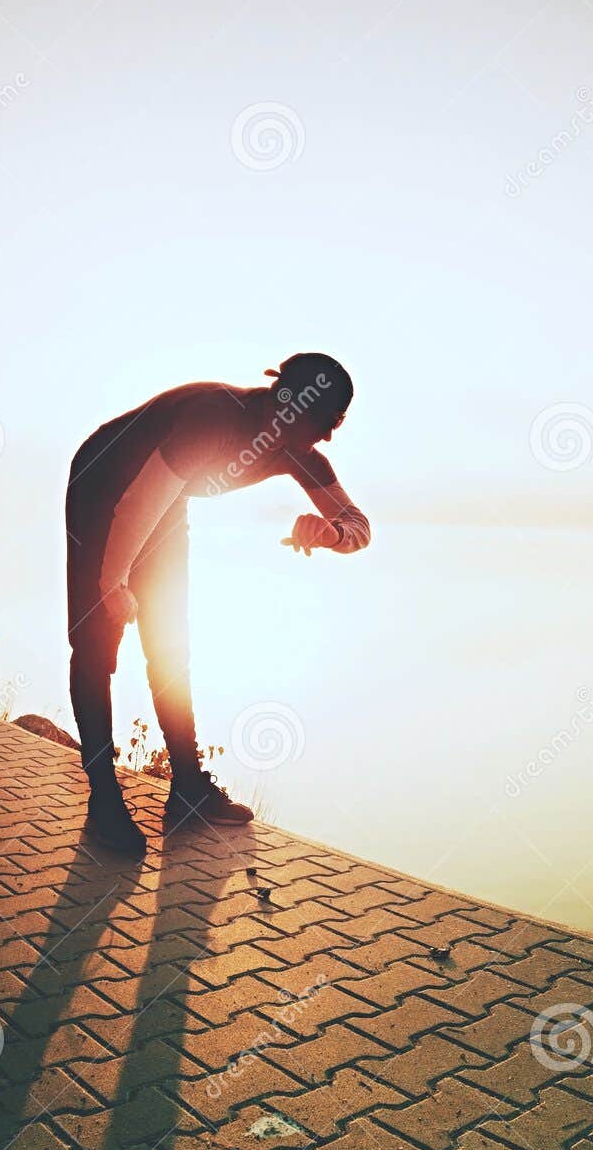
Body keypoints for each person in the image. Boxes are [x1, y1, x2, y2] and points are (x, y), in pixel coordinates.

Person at [64, 353, 369, 855]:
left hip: (165, 501)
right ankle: (103, 797)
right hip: (103, 480)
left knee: (168, 646)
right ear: (287, 400)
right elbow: (135, 504)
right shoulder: (215, 417)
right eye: (325, 423)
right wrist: (114, 583)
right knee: (97, 643)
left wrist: (331, 532)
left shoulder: (298, 451)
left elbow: (360, 525)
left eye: (336, 424)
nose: (329, 436)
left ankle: (188, 788)